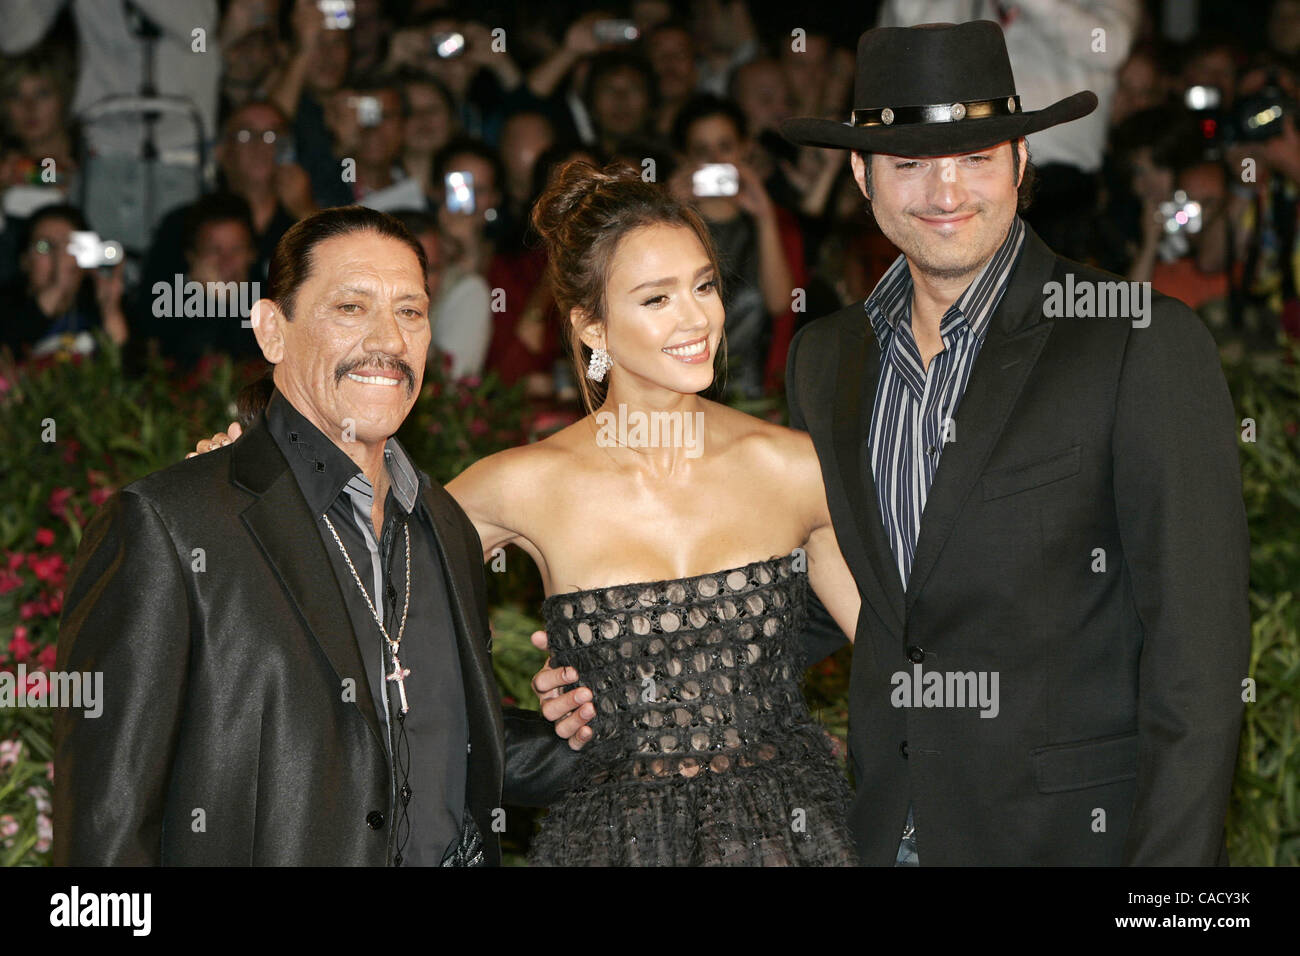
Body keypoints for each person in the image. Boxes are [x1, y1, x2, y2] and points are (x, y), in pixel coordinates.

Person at [540, 20, 1251, 867]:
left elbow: (1199, 660)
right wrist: (628, 668)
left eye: (977, 158)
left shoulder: (1131, 338)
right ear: (862, 176)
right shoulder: (828, 356)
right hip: (880, 831)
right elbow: (829, 595)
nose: (945, 191)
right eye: (910, 162)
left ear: (1022, 166)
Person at [196, 161, 863, 866]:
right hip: (616, 843)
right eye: (656, 299)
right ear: (591, 328)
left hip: (788, 839)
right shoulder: (523, 484)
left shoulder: (794, 467)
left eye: (703, 286)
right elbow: (356, 601)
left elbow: (891, 657)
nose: (697, 318)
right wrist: (251, 486)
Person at [54, 205, 575, 866]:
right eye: (351, 308)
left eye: (410, 312)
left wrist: (609, 732)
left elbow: (447, 744)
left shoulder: (443, 523)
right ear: (273, 331)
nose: (387, 339)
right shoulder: (171, 525)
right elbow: (106, 835)